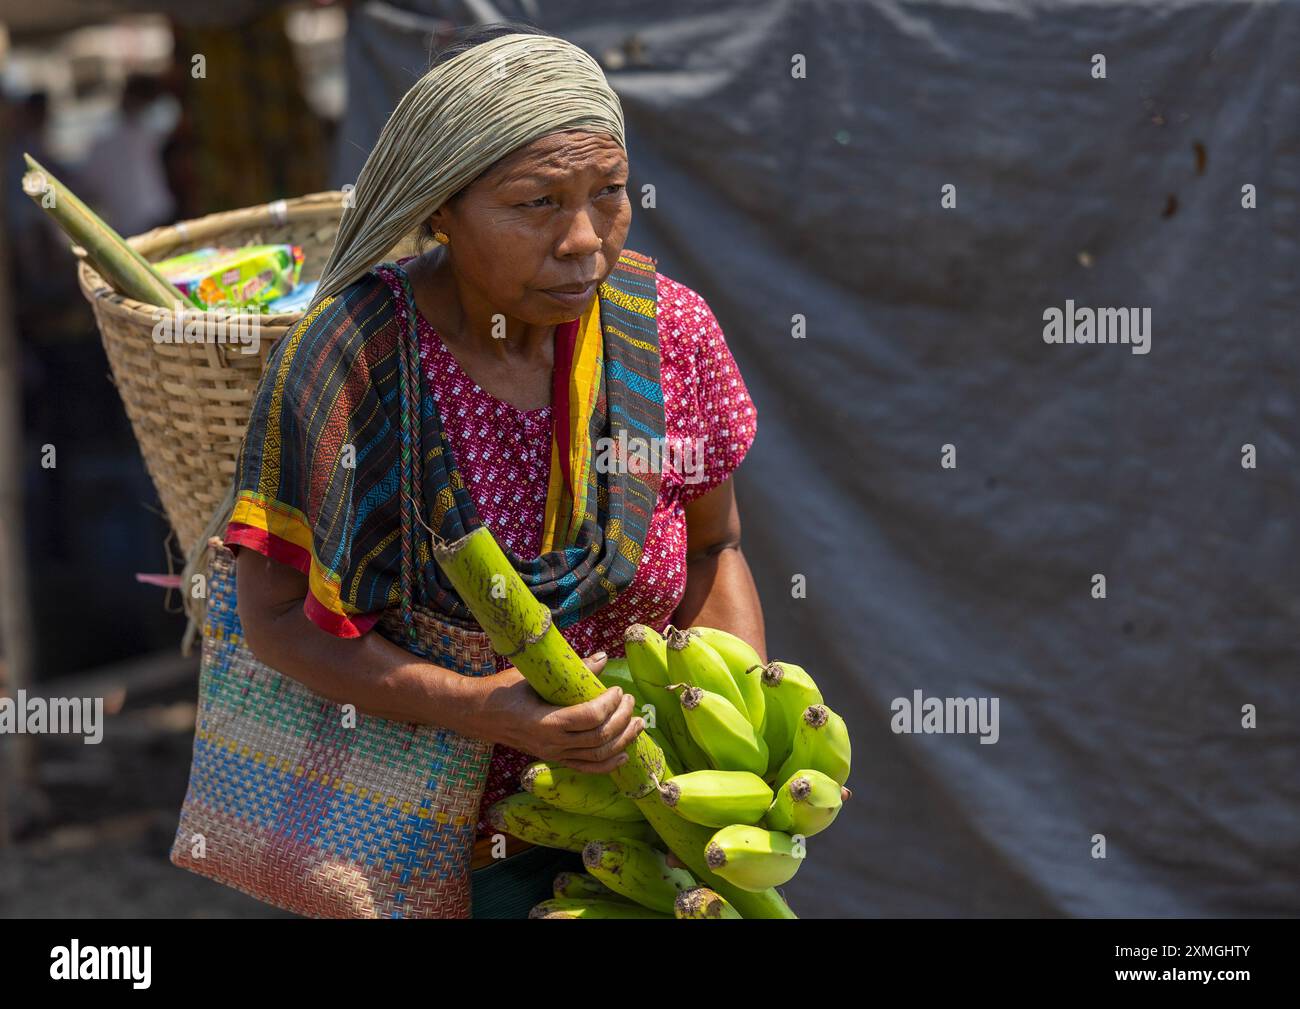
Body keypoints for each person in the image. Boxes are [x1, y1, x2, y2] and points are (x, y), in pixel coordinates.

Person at [226, 22, 761, 918]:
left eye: (610, 193)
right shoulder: (352, 361)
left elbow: (716, 550)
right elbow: (277, 619)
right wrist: (479, 707)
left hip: (647, 822)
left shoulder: (670, 333)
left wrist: (726, 753)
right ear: (441, 206)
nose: (586, 240)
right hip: (424, 849)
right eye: (537, 203)